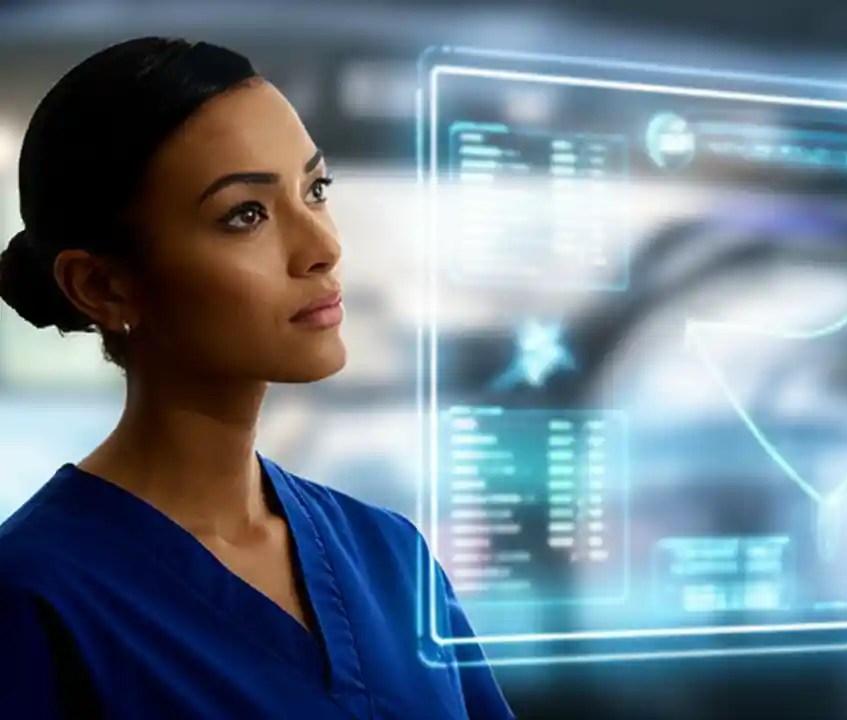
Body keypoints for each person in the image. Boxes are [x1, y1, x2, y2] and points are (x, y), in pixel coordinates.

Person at [0, 37, 513, 719]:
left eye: (316, 190)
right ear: (101, 285)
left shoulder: (391, 559)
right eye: (246, 214)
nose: (324, 247)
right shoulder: (35, 600)